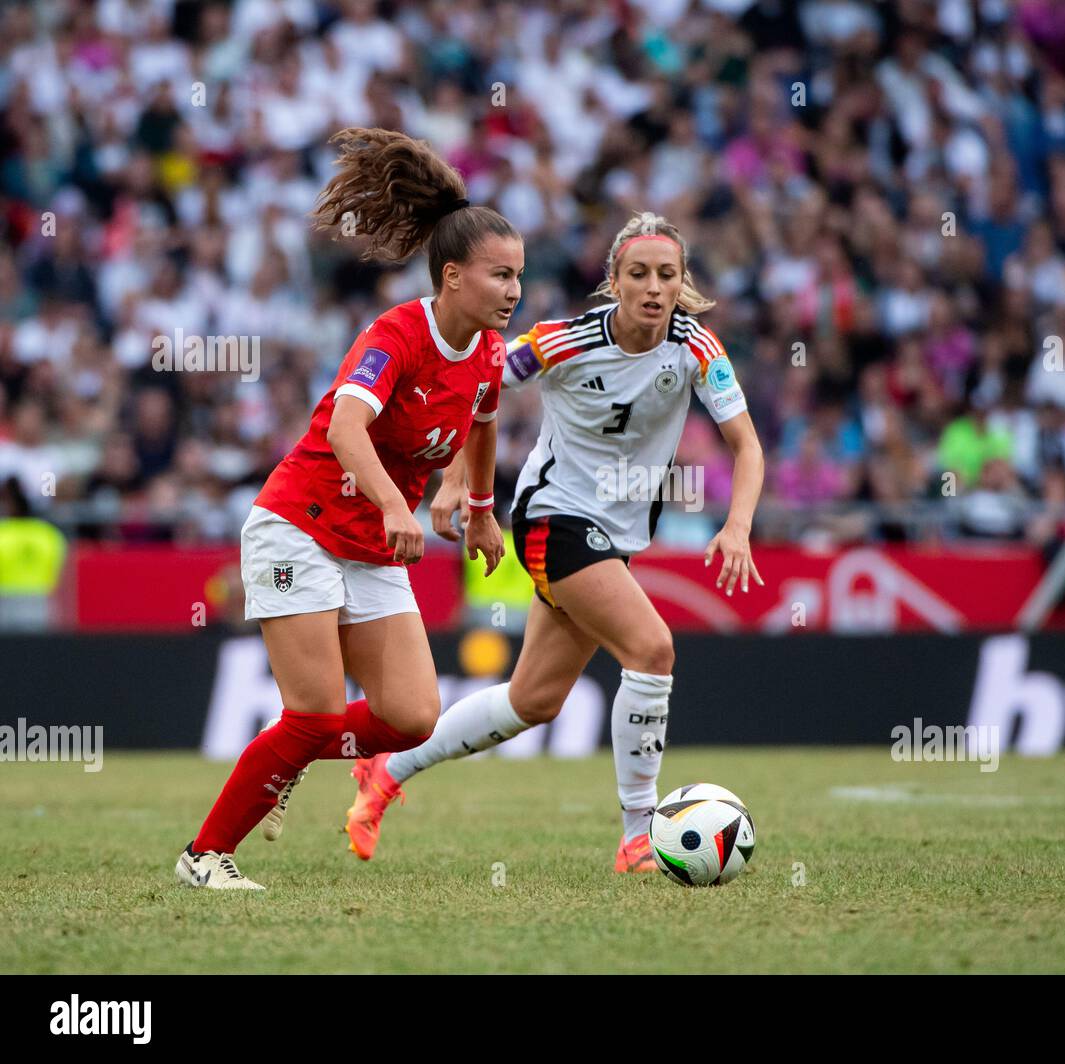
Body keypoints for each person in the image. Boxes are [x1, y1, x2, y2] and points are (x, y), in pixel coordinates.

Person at [339, 211, 766, 870]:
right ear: (613, 281)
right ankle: (636, 833)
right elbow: (480, 386)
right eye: (639, 274)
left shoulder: (697, 349)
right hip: (554, 520)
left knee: (532, 701)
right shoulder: (561, 341)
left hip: (614, 537)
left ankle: (386, 770)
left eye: (667, 275)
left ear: (682, 284)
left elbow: (747, 446)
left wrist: (737, 525)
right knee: (652, 649)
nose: (653, 288)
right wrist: (458, 480)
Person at [174, 128, 514, 888]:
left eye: (518, 276)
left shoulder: (489, 352)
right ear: (453, 276)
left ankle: (288, 749)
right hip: (300, 524)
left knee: (411, 717)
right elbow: (343, 425)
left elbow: (484, 423)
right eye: (500, 276)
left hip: (368, 543)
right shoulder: (394, 333)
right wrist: (399, 505)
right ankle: (204, 858)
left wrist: (482, 507)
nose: (514, 290)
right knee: (320, 714)